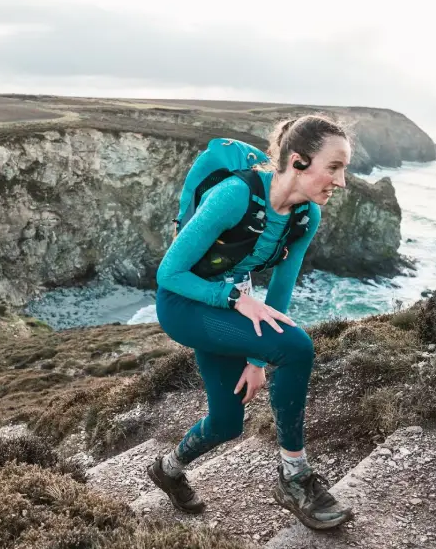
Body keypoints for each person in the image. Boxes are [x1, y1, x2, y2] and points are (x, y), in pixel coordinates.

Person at [148, 114, 354, 530]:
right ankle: (294, 477)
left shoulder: (305, 216)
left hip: (229, 305)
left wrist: (258, 360)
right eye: (334, 167)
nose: (342, 181)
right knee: (297, 347)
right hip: (184, 304)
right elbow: (168, 274)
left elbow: (280, 292)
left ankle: (167, 469)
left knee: (226, 423)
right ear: (298, 161)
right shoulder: (234, 195)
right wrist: (234, 300)